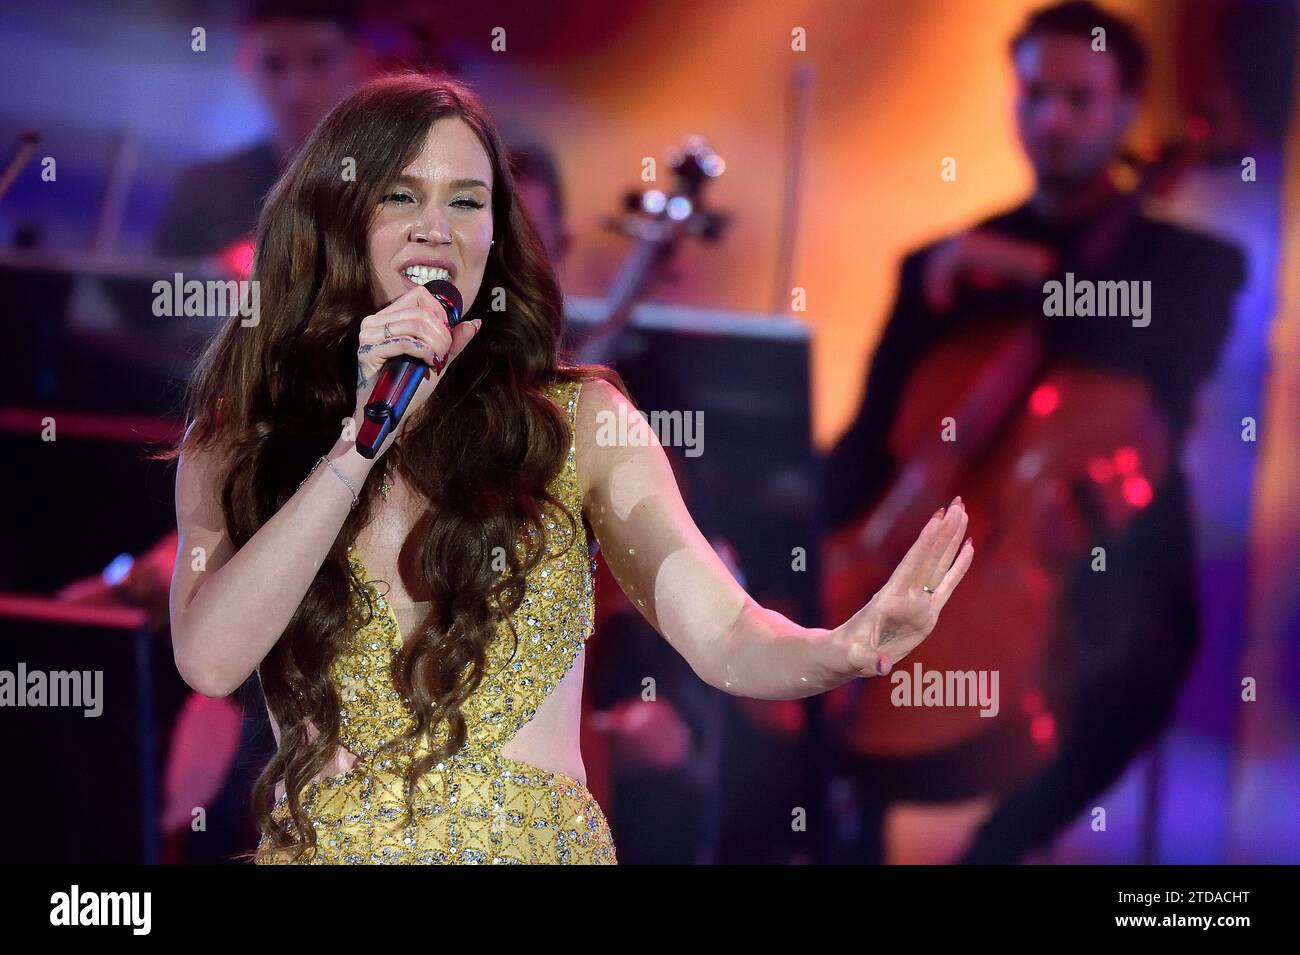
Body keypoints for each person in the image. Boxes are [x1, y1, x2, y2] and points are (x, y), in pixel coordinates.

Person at [163, 71, 973, 864]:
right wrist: (357, 442)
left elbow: (726, 633)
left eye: (467, 201)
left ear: (496, 234)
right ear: (337, 217)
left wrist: (840, 647)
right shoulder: (240, 441)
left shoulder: (581, 424)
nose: (436, 227)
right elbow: (210, 656)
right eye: (401, 195)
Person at [821, 0, 1244, 863]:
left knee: (1149, 647)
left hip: (1101, 541)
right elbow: (873, 437)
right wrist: (804, 535)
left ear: (1127, 111)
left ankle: (999, 847)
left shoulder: (1192, 267)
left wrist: (1026, 275)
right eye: (1035, 95)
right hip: (939, 531)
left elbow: (1150, 347)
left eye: (1079, 100)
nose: (1051, 119)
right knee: (803, 630)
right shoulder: (938, 265)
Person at [155, 0, 373, 257]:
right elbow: (160, 293)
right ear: (246, 65)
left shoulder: (393, 184)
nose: (296, 90)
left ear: (359, 62)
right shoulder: (202, 192)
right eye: (274, 64)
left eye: (319, 61)